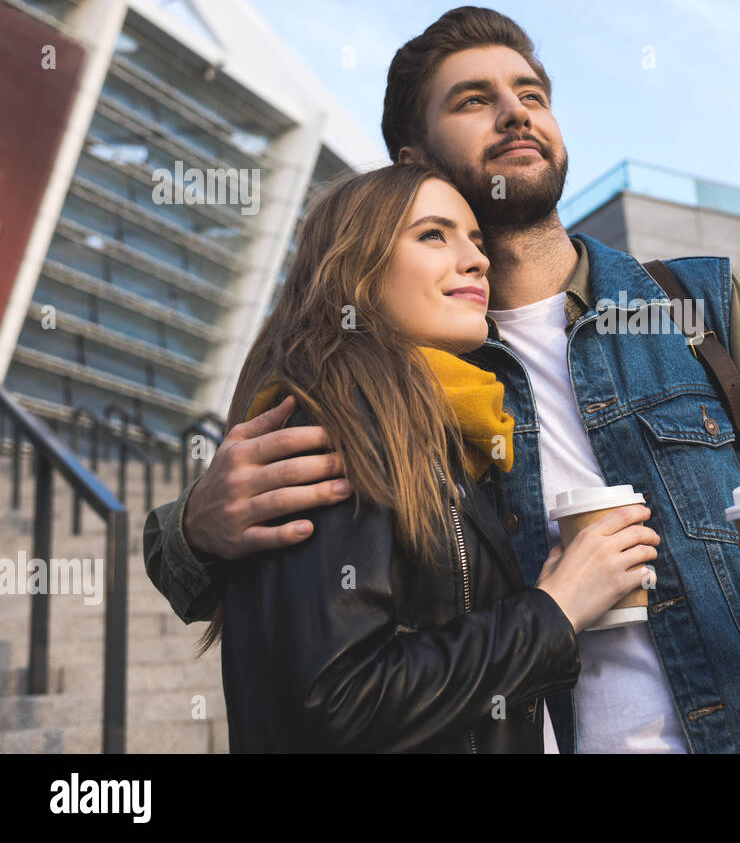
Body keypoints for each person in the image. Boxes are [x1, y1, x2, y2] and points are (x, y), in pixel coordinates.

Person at [145, 6, 740, 754]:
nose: (516, 114)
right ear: (412, 161)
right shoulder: (403, 369)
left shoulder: (697, 303)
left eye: (532, 95)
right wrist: (190, 531)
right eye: (475, 100)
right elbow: (305, 619)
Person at [208, 162, 659, 751]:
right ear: (354, 267)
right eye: (432, 235)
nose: (476, 259)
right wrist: (555, 609)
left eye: (475, 240)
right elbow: (336, 702)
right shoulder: (337, 423)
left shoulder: (431, 426)